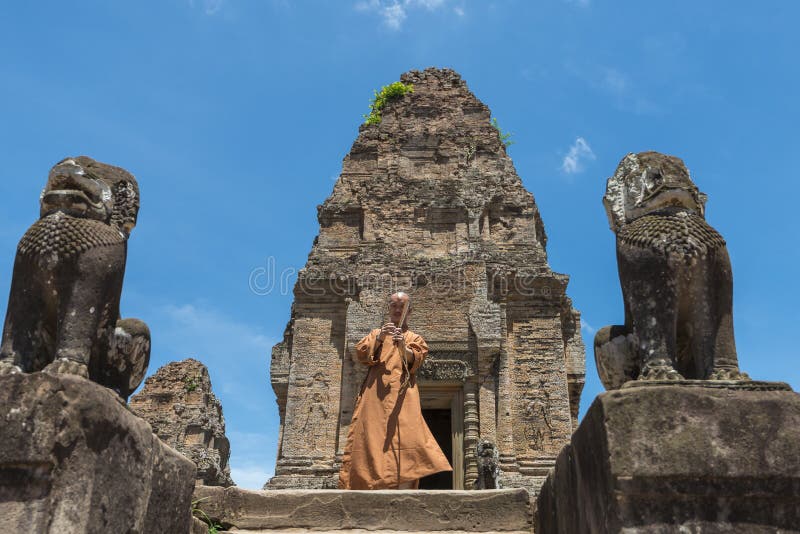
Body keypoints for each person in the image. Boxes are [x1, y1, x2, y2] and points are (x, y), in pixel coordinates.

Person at [338, 292, 452, 490]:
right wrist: (381, 338)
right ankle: (370, 484)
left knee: (407, 437)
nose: (398, 310)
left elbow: (415, 358)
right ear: (388, 308)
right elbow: (362, 354)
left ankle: (403, 487)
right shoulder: (375, 334)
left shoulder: (414, 337)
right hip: (375, 397)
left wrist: (402, 346)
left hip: (402, 397)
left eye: (402, 307)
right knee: (371, 438)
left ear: (410, 311)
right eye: (394, 306)